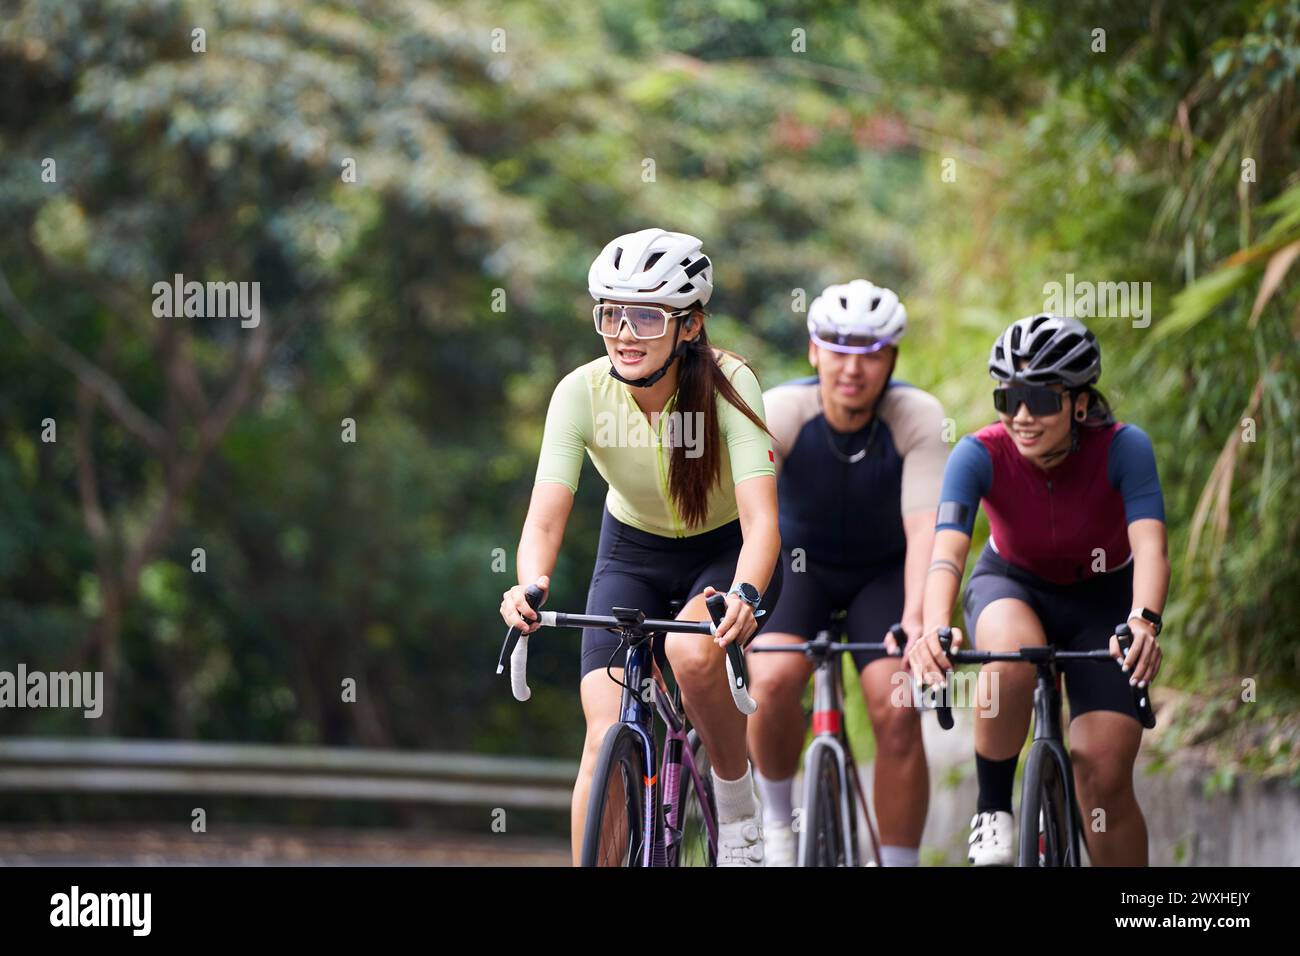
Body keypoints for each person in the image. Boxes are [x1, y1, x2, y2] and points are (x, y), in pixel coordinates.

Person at [499, 228, 784, 866]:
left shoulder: (731, 383)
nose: (625, 331)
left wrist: (744, 592)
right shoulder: (579, 392)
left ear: (689, 326)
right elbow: (545, 519)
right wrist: (530, 584)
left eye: (647, 316)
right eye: (611, 314)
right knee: (603, 737)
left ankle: (737, 808)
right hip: (630, 553)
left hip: (724, 550)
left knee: (689, 650)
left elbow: (763, 522)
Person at [911, 313, 1168, 866]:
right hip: (1012, 584)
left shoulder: (1124, 448)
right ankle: (992, 809)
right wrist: (935, 624)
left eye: (1041, 401)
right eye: (1008, 399)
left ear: (1079, 403)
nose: (1022, 417)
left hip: (1103, 601)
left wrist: (1144, 620)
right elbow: (948, 551)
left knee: (1102, 776)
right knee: (1009, 655)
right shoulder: (978, 453)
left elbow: (1149, 546)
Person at [749, 280, 949, 867]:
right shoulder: (783, 410)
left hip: (882, 576)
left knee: (896, 705)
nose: (852, 367)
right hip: (797, 568)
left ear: (892, 358)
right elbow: (747, 516)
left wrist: (916, 621)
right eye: (837, 349)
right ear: (813, 351)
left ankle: (898, 861)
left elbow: (926, 533)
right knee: (773, 680)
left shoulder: (917, 415)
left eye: (870, 352)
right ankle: (779, 825)